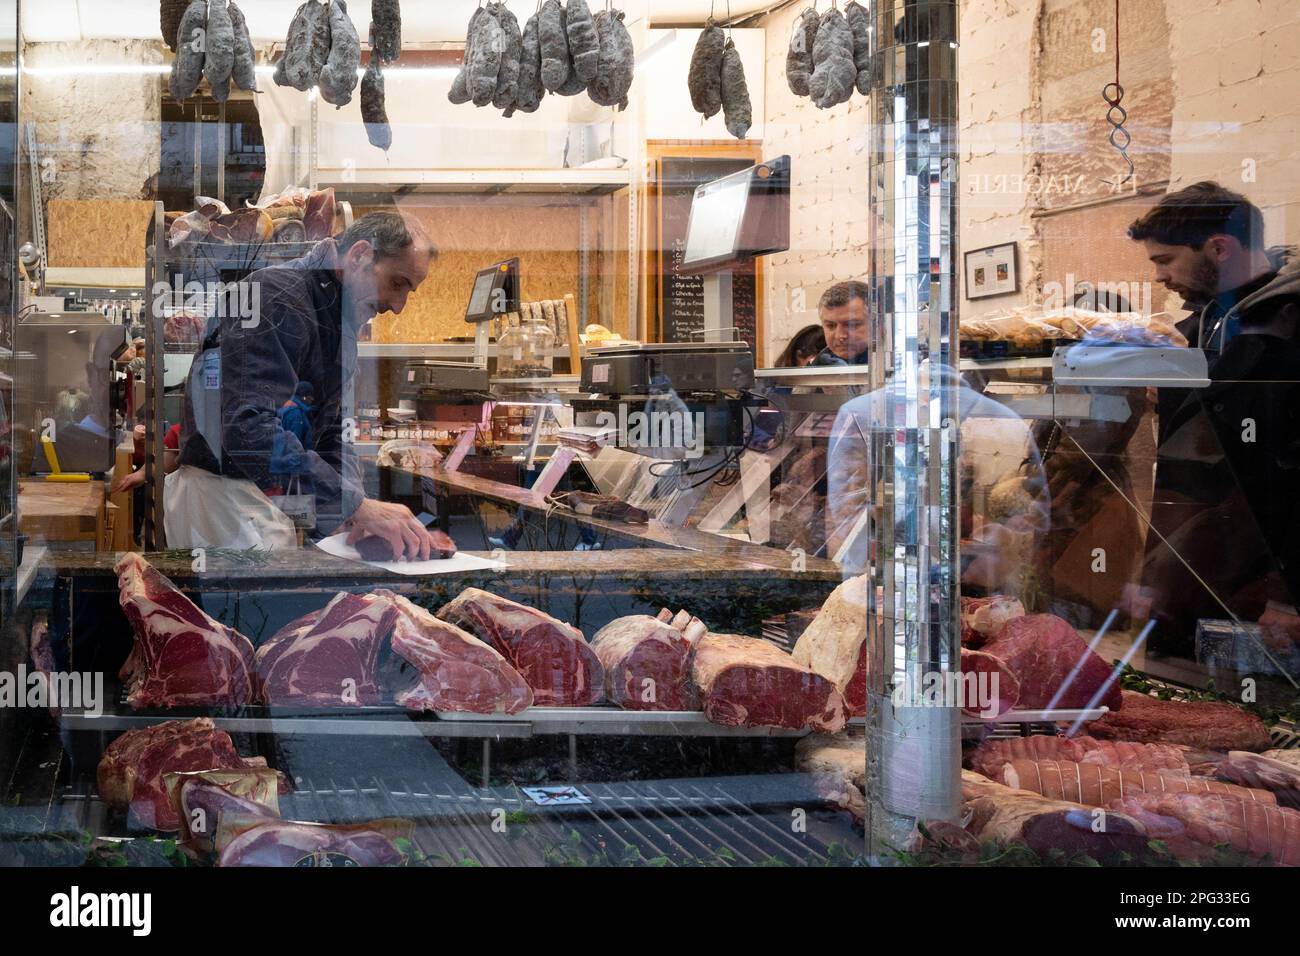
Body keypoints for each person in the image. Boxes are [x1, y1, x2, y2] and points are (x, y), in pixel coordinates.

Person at [170, 211, 446, 560]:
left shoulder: (337, 318)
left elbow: (330, 432)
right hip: (224, 499)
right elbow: (246, 427)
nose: (398, 306)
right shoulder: (278, 295)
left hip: (264, 501)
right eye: (397, 283)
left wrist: (350, 508)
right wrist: (353, 506)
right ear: (360, 255)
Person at [1126, 182, 1300, 657]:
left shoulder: (1288, 324)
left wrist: (1287, 596)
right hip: (1199, 569)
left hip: (1265, 577)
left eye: (1164, 259)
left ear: (1219, 247)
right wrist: (1155, 573)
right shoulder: (1196, 328)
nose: (1159, 276)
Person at [811, 281, 870, 366]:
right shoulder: (814, 370)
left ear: (877, 324)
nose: (840, 336)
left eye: (851, 325)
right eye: (831, 326)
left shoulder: (892, 366)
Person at [277, 381, 316, 450]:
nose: (313, 399)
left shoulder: (287, 407)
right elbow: (294, 446)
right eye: (310, 396)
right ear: (304, 397)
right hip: (296, 458)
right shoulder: (296, 414)